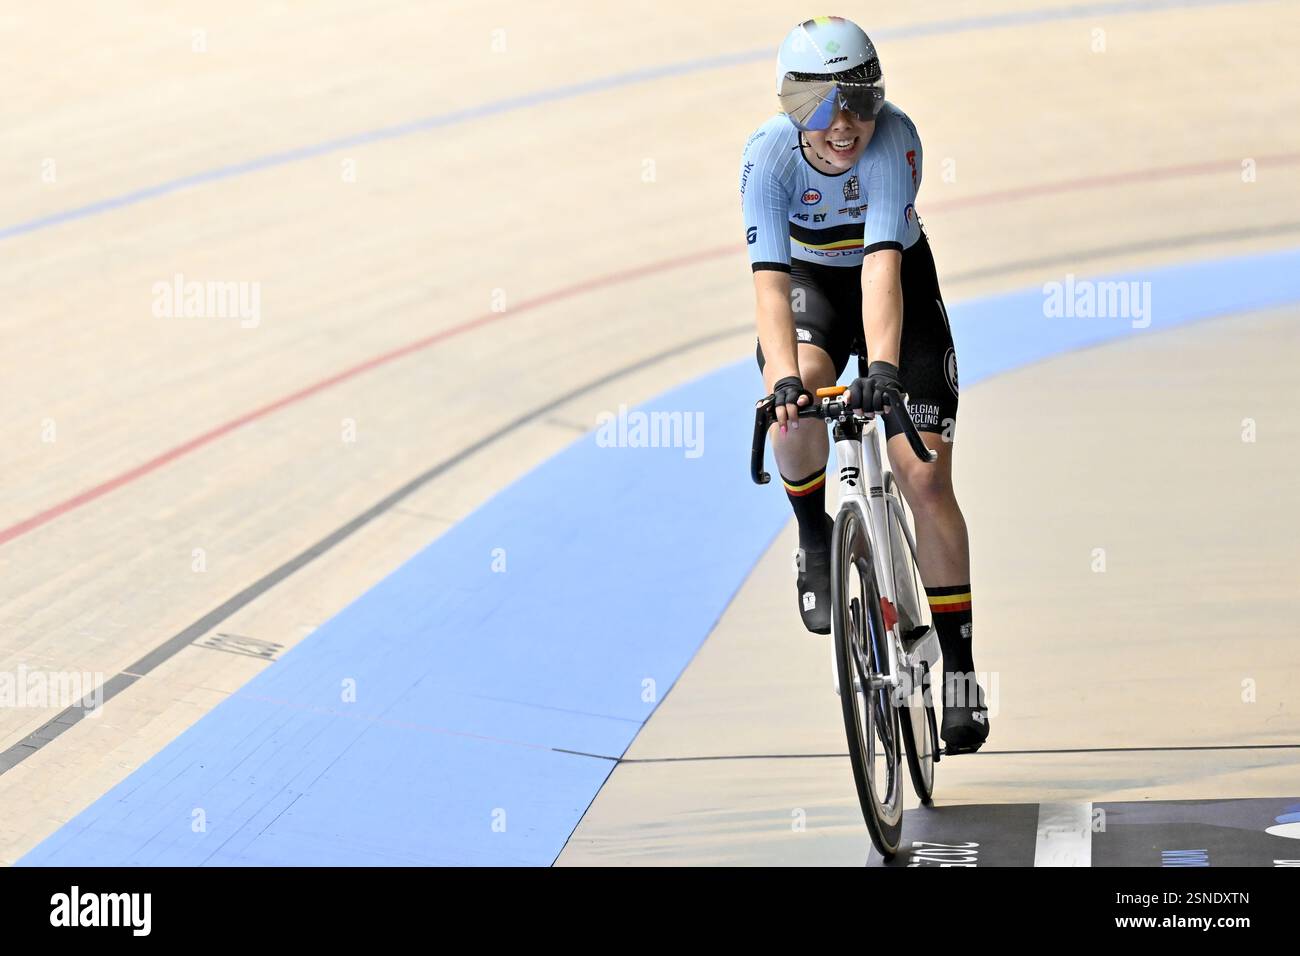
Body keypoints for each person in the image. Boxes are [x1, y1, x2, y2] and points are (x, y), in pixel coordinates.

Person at [740, 15, 988, 753]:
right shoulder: (766, 159)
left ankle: (963, 674)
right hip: (813, 284)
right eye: (822, 107)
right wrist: (785, 380)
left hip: (895, 286)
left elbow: (883, 265)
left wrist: (882, 371)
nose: (845, 124)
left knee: (926, 475)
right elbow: (768, 286)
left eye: (860, 101)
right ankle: (815, 535)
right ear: (793, 110)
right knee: (792, 416)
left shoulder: (894, 141)